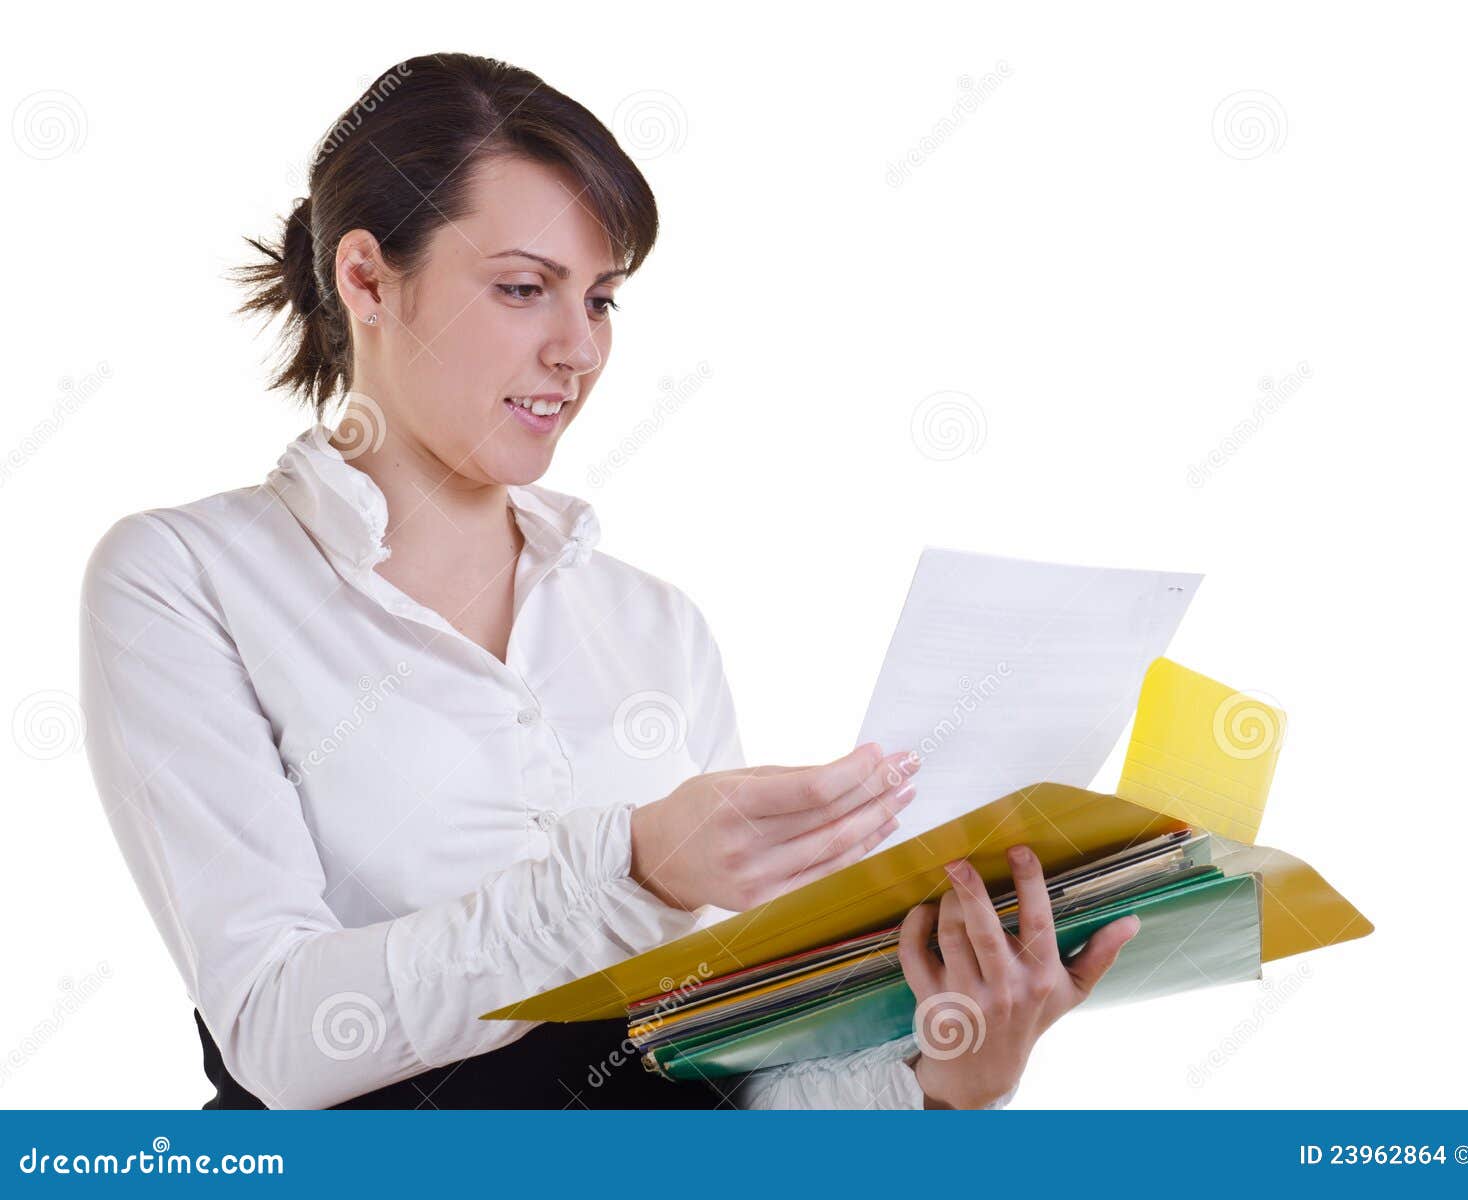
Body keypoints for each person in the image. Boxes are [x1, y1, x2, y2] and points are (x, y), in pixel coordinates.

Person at [78, 52, 1139, 1110]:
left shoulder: (652, 626)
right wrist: (636, 871)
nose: (576, 348)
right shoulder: (187, 578)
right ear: (365, 279)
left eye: (601, 300)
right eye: (523, 289)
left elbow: (732, 1078)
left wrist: (948, 1076)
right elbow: (279, 1034)